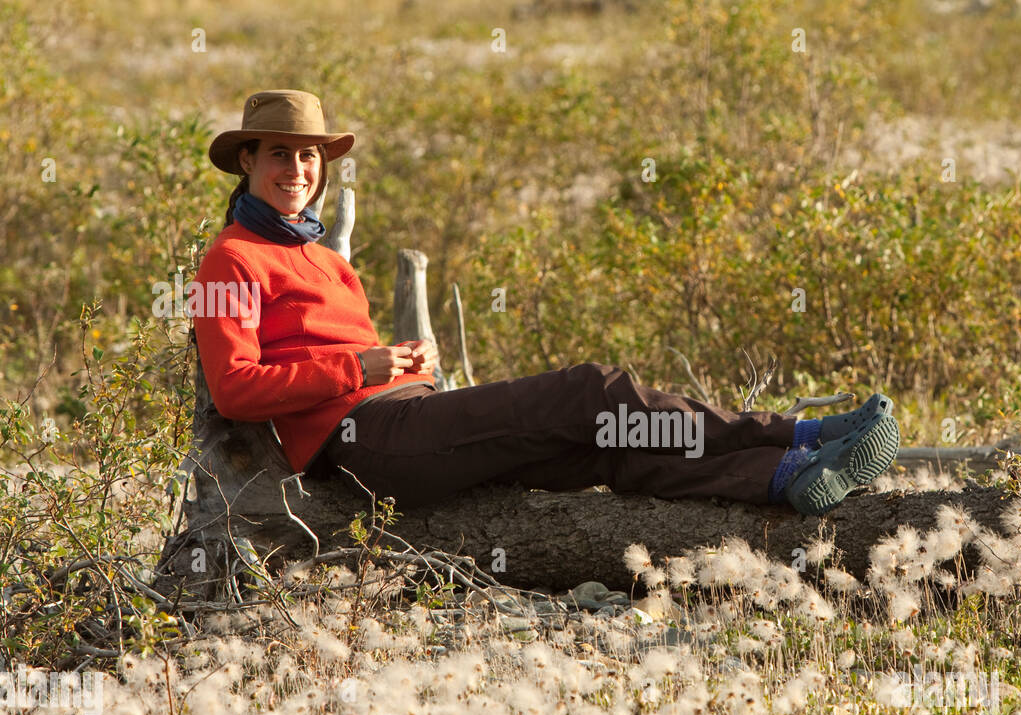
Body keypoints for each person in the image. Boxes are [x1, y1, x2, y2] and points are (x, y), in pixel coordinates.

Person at [192, 90, 900, 517]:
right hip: (361, 443)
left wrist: (413, 368)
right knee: (589, 390)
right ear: (248, 161)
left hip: (403, 419)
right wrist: (363, 369)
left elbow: (356, 358)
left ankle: (784, 478)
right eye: (280, 154)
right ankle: (790, 433)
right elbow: (235, 390)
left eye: (309, 155)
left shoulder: (320, 256)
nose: (298, 169)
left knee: (608, 443)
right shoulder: (230, 258)